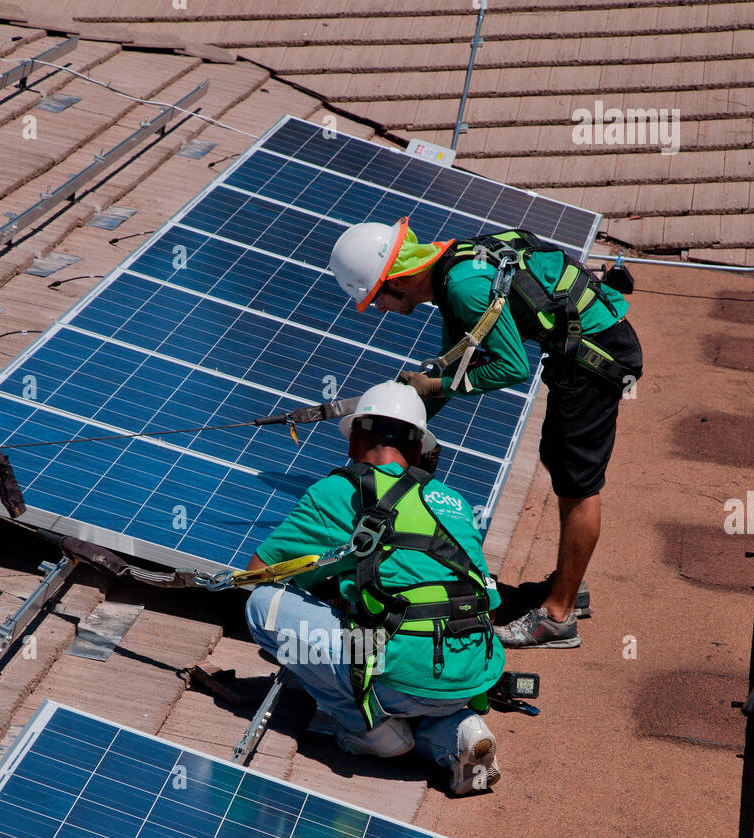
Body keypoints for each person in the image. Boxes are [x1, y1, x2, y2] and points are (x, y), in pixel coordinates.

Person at [329, 218, 643, 648]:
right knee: (558, 461)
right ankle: (569, 584)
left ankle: (558, 615)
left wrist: (433, 387)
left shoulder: (462, 288)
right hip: (579, 350)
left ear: (396, 283)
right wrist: (401, 419)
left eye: (375, 299)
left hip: (596, 358)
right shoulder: (447, 270)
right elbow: (452, 365)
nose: (378, 310)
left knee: (579, 483)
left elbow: (511, 368)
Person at [243, 381, 505, 796]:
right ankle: (459, 733)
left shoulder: (338, 491)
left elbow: (259, 573)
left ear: (355, 440)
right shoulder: (452, 499)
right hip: (472, 672)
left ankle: (375, 731)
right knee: (413, 662)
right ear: (419, 452)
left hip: (400, 675)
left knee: (262, 606)